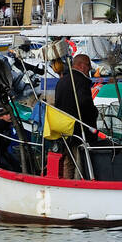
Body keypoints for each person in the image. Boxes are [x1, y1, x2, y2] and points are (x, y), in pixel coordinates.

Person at [52, 52, 99, 180]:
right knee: (81, 161)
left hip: (64, 128)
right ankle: (79, 185)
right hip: (79, 129)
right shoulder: (81, 81)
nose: (89, 68)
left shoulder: (61, 82)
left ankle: (68, 184)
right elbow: (84, 102)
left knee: (69, 162)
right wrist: (94, 113)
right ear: (81, 65)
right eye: (88, 65)